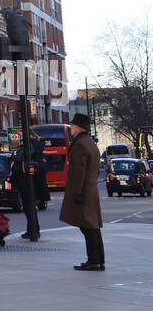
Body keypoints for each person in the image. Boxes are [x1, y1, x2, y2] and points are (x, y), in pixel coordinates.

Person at [59, 113, 104, 271]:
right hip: (91, 190)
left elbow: (79, 172)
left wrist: (77, 193)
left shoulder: (79, 145)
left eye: (73, 126)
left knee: (87, 227)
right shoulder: (90, 143)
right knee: (93, 226)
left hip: (83, 191)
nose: (71, 128)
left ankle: (93, 261)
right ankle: (99, 260)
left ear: (78, 128)